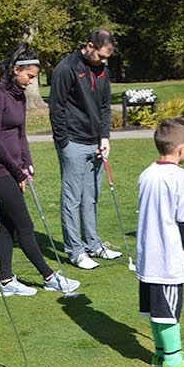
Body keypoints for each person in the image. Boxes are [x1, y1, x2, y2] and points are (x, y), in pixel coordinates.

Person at [0, 43, 82, 297]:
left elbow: (20, 134)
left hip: (14, 170)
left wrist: (27, 163)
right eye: (30, 76)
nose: (31, 81)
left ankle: (6, 282)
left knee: (7, 226)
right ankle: (49, 277)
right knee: (25, 226)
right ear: (16, 70)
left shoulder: (18, 95)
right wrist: (17, 171)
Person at [135, 118, 184, 367]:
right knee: (168, 311)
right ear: (181, 148)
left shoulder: (147, 173)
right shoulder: (182, 178)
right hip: (167, 256)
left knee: (157, 308)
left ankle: (161, 352)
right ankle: (173, 362)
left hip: (147, 256)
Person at [48, 29, 123, 270]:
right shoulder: (66, 69)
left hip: (96, 142)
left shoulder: (102, 69)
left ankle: (93, 244)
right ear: (89, 46)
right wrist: (64, 142)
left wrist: (105, 136)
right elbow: (56, 108)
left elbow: (104, 106)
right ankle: (75, 250)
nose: (104, 61)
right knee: (72, 199)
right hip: (73, 142)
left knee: (91, 197)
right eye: (101, 56)